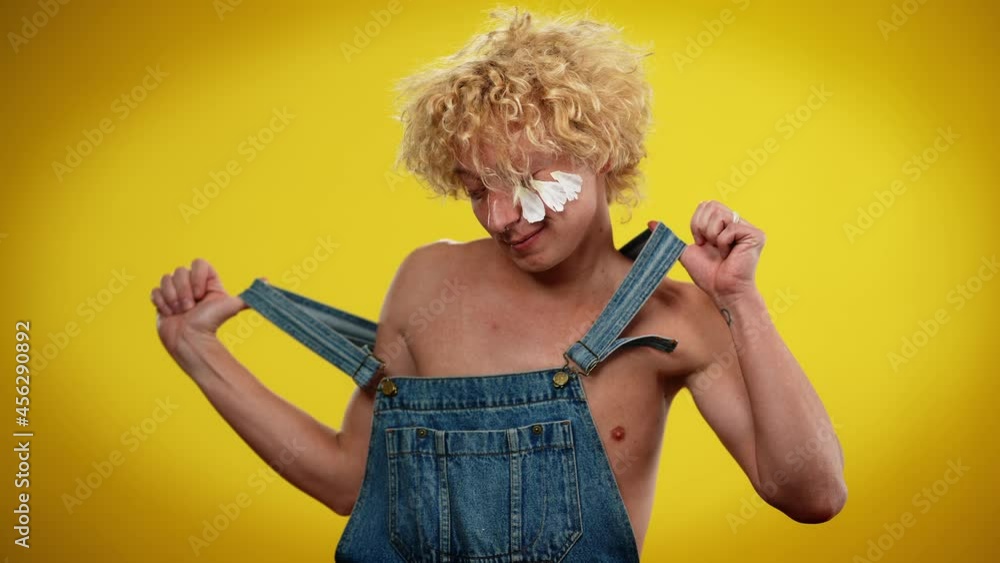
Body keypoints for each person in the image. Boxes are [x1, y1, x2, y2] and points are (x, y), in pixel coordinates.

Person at [151, 8, 846, 558]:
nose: (501, 217)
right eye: (478, 189)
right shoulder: (428, 282)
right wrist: (199, 352)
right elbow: (348, 479)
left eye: (524, 180)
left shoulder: (673, 314)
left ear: (601, 153)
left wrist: (741, 302)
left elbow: (811, 492)